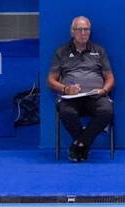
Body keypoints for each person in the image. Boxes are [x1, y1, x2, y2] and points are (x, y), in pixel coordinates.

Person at [48, 16, 115, 162]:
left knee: (107, 110)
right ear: (72, 32)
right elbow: (51, 80)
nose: (83, 33)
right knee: (65, 111)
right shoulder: (61, 52)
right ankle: (82, 144)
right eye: (80, 30)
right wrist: (66, 89)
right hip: (71, 98)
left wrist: (103, 90)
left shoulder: (99, 51)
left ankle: (79, 145)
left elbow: (110, 78)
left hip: (95, 96)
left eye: (86, 30)